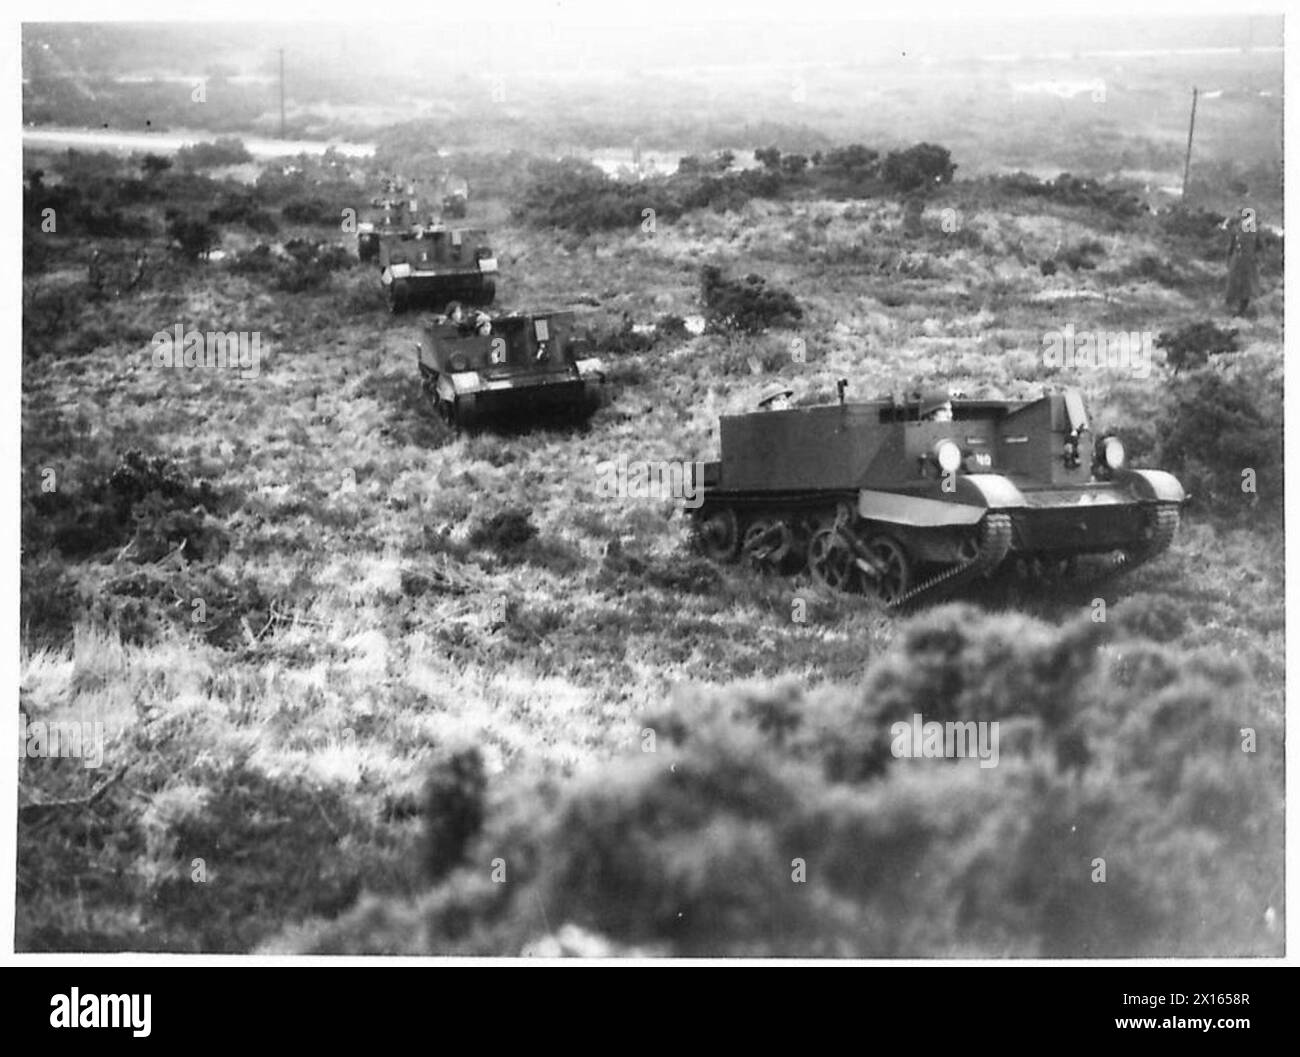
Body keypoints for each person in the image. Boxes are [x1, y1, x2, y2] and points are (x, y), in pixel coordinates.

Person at [1225, 212, 1261, 316]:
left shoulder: (1253, 232)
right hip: (1239, 261)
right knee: (1237, 285)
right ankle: (1236, 308)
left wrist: (1256, 258)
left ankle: (1241, 310)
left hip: (1246, 262)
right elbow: (1231, 246)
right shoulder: (1238, 231)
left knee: (1245, 286)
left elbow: (1260, 247)